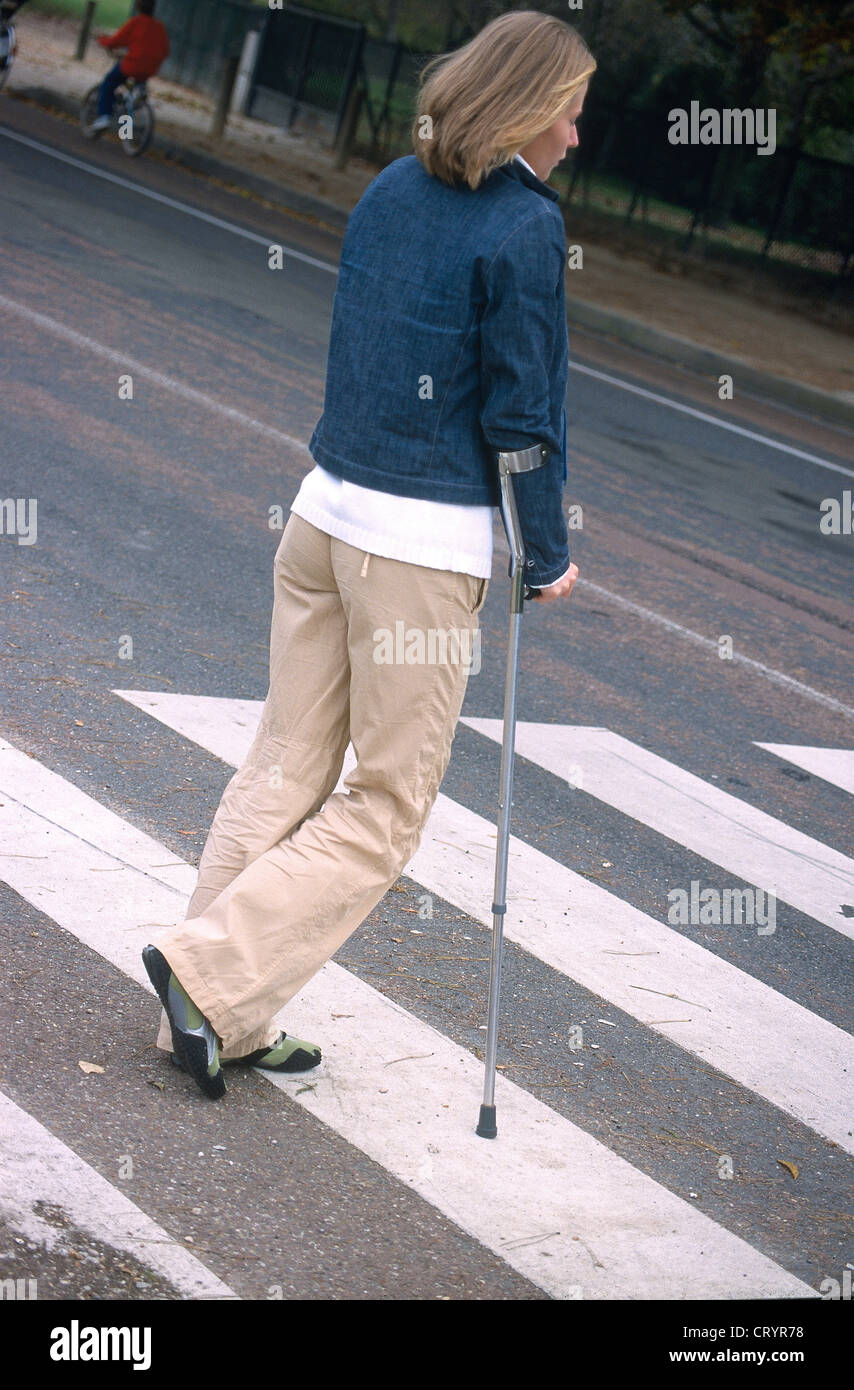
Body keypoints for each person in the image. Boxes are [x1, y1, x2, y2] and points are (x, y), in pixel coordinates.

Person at [142, 9, 595, 1100]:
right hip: (417, 548)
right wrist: (543, 555)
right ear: (529, 107)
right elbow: (519, 411)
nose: (576, 137)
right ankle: (208, 974)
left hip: (322, 515)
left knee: (286, 761)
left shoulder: (392, 184)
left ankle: (216, 1019)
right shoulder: (524, 229)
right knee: (386, 804)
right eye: (570, 113)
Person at [91, 0, 169, 132]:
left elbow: (116, 41)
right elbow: (166, 50)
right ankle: (137, 99)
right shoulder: (160, 27)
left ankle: (104, 117)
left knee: (109, 82)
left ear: (138, 7)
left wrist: (102, 40)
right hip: (150, 68)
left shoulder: (136, 22)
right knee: (137, 81)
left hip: (133, 64)